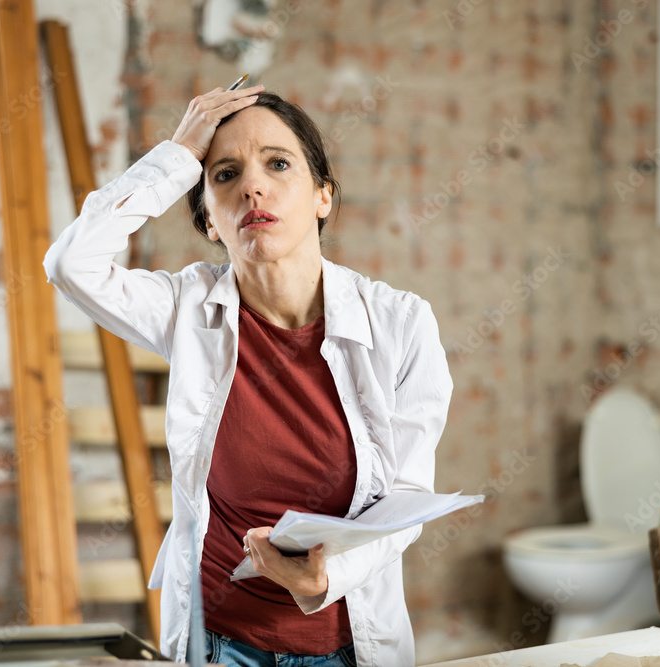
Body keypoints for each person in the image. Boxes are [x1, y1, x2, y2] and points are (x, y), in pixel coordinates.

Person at [43, 83, 453, 667]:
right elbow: (70, 263)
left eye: (278, 164)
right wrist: (179, 155)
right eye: (225, 174)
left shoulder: (402, 323)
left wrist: (324, 578)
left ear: (322, 197)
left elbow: (407, 497)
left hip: (347, 644)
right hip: (218, 642)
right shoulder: (188, 308)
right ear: (210, 220)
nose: (253, 186)